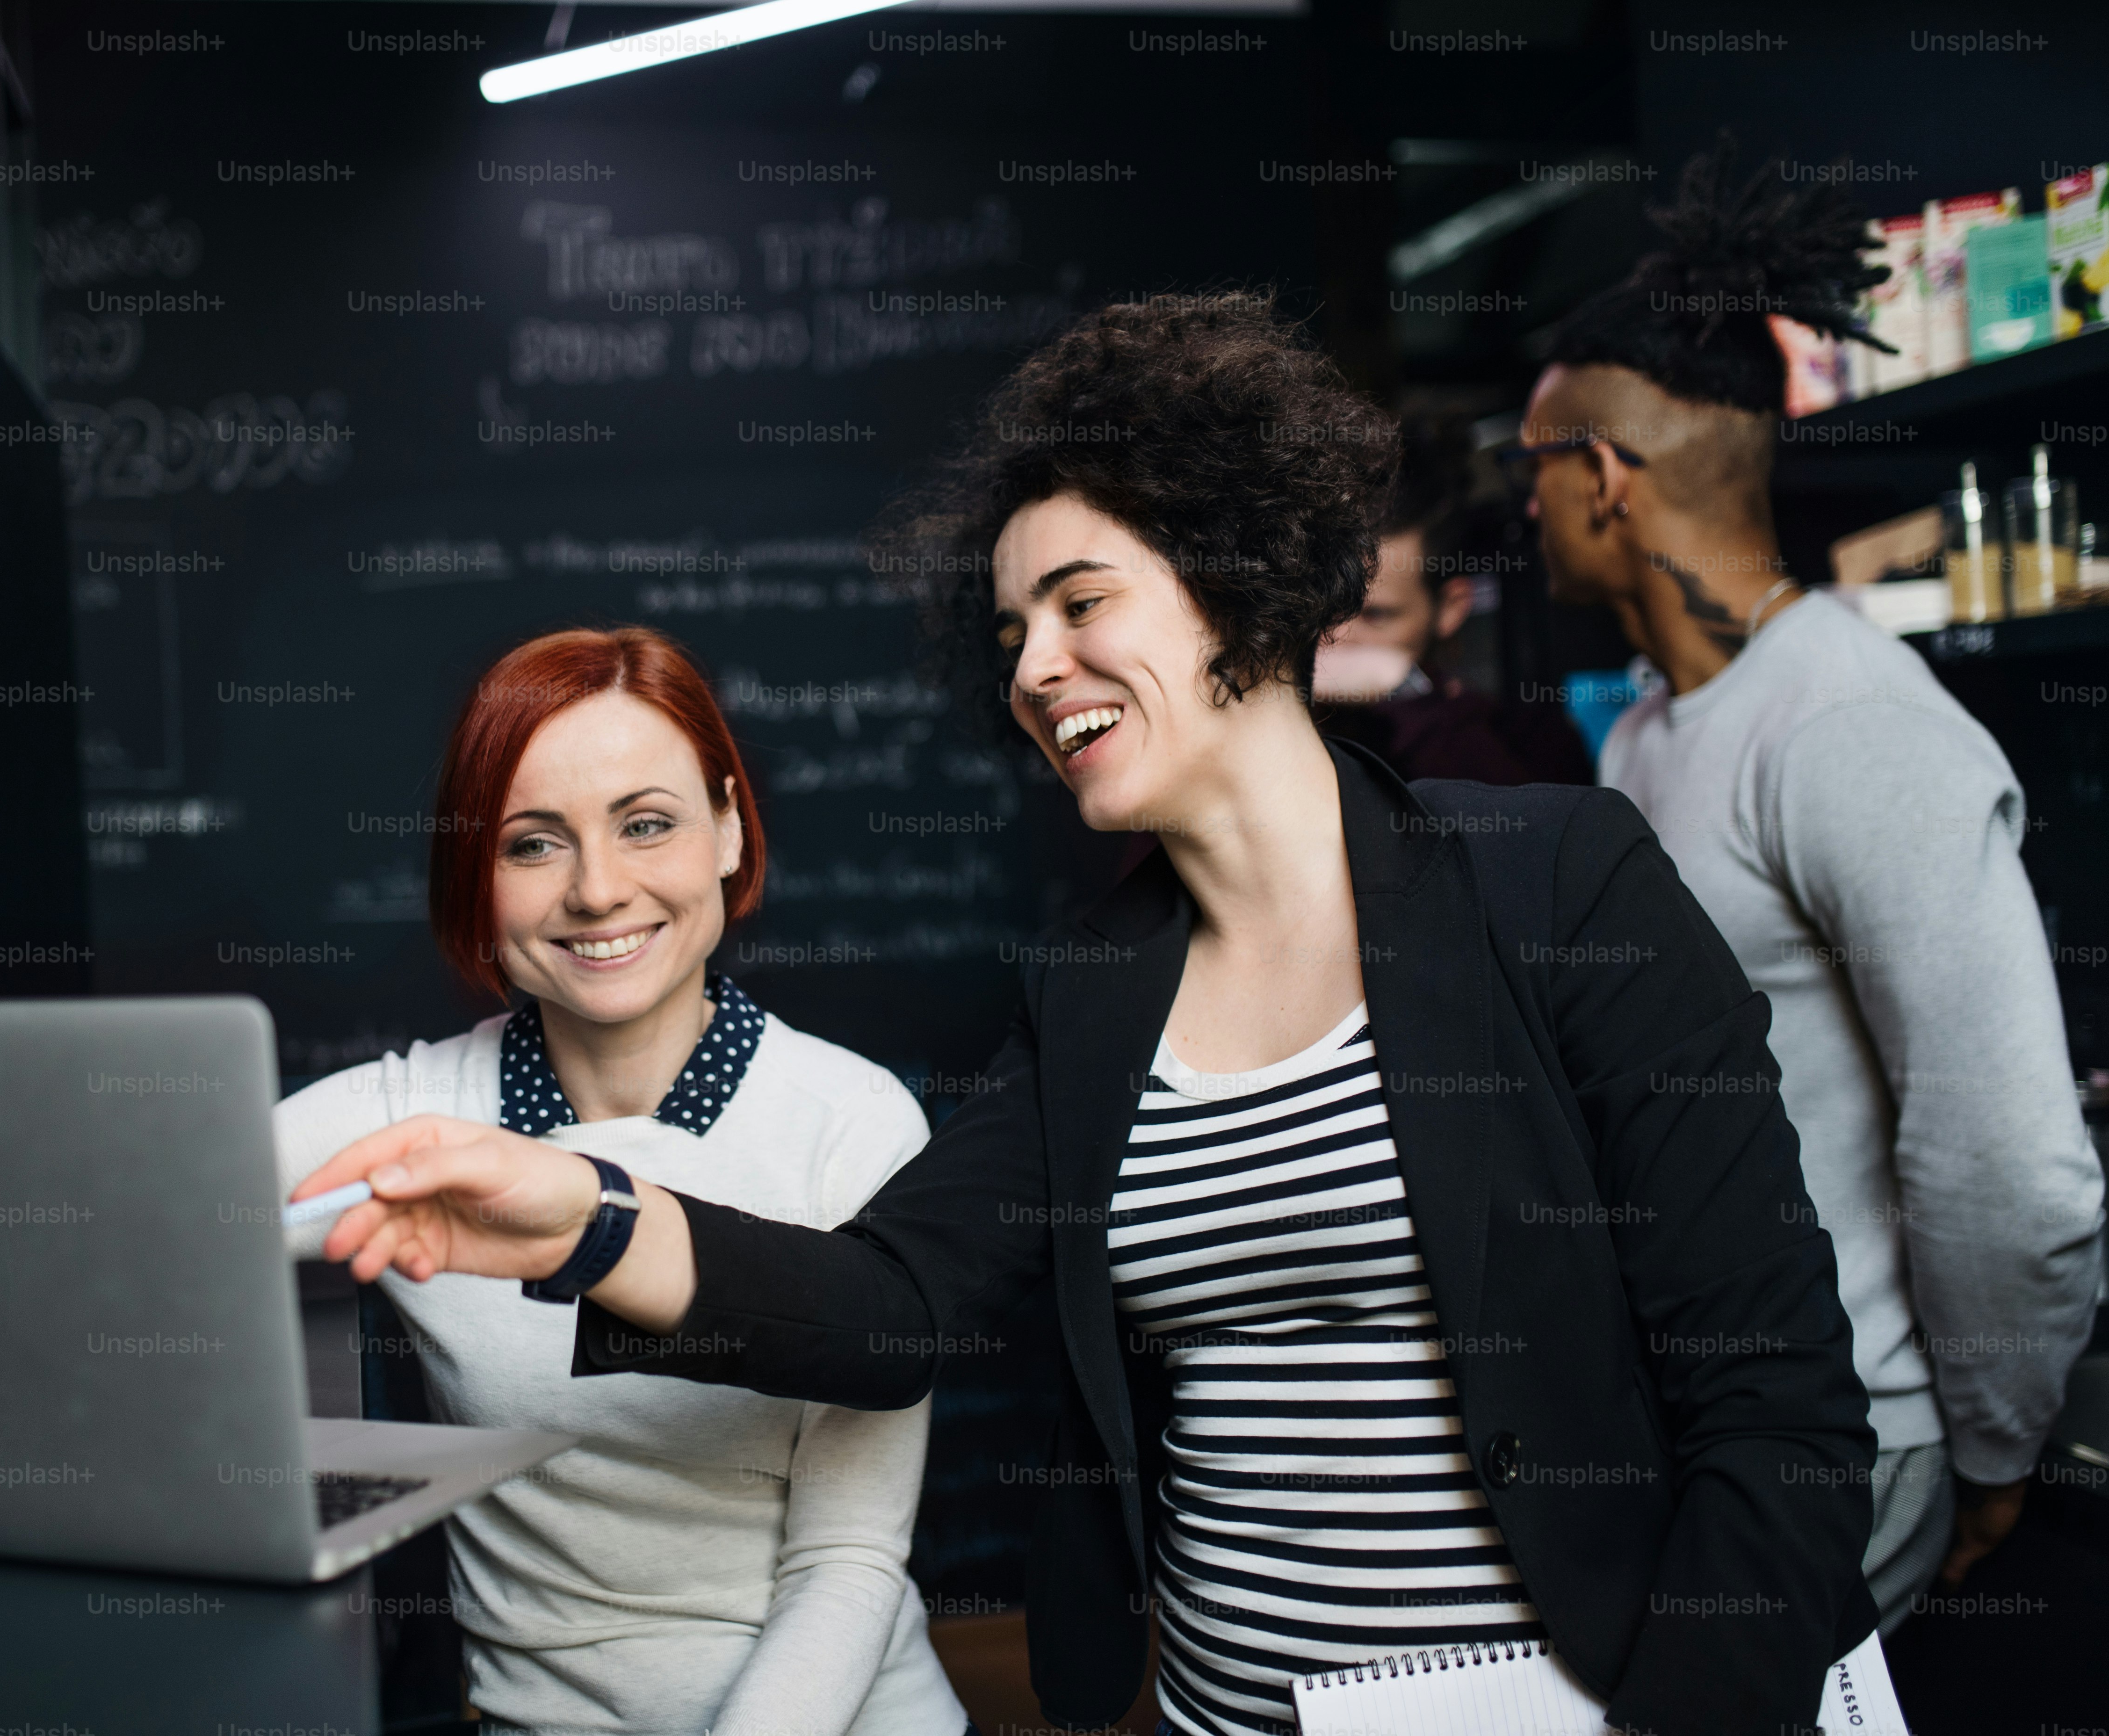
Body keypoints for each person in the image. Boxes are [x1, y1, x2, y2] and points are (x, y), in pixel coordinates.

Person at [291, 296, 1878, 1736]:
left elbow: (1776, 1414)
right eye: (1010, 637)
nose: (1035, 670)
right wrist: (586, 1215)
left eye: (1077, 602)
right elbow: (887, 1307)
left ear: (1233, 575)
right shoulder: (1095, 989)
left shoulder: (1557, 885)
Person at [1517, 143, 2105, 1630]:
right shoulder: (1649, 734)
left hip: (1845, 1433)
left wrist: (1992, 1445)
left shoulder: (1850, 726)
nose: (1520, 507)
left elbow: (2007, 1155)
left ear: (1602, 476)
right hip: (1696, 1423)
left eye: (1532, 467)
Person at [273, 626, 970, 1736]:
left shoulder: (852, 1124)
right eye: (532, 844)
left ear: (729, 829)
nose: (598, 890)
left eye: (646, 824)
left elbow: (846, 1561)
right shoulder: (414, 1121)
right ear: (478, 877)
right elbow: (141, 1218)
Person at [1312, 418, 1589, 785]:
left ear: (1450, 608)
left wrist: (1403, 689)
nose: (1335, 637)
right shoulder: (1271, 719)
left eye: (1376, 615)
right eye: (1322, 607)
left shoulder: (1526, 741)